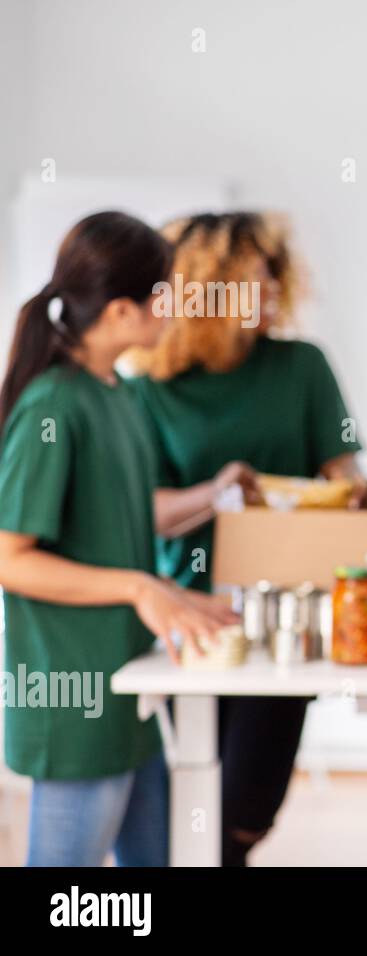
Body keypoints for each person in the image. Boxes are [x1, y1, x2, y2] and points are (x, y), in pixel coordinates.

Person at [127, 211, 367, 866]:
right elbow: (140, 511)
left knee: (246, 809)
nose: (269, 299)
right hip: (189, 619)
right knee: (194, 810)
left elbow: (344, 473)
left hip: (288, 614)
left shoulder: (303, 367)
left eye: (273, 283)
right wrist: (216, 490)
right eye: (252, 287)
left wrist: (361, 495)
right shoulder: (147, 388)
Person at [0, 211, 237, 867]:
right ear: (123, 310)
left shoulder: (118, 394)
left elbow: (128, 512)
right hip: (75, 702)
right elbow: (9, 559)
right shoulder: (53, 407)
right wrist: (141, 586)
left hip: (128, 694)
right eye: (164, 293)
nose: (176, 308)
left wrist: (214, 497)